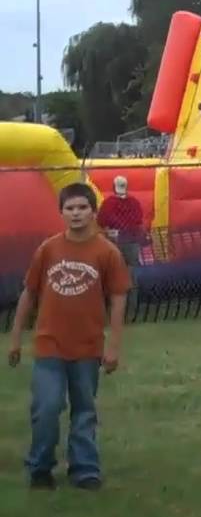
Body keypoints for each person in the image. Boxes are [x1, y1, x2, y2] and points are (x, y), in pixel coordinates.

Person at [7, 182, 131, 491]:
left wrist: (113, 346)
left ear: (93, 211)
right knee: (47, 407)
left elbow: (118, 298)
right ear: (61, 212)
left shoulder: (107, 252)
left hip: (88, 348)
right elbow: (29, 293)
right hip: (50, 345)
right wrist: (15, 338)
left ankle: (85, 469)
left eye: (82, 207)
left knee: (84, 409)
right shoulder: (48, 249)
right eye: (70, 208)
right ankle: (40, 466)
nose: (76, 214)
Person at [97, 175, 144, 266]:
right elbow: (139, 220)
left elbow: (101, 221)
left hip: (115, 240)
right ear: (126, 187)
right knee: (133, 267)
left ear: (114, 187)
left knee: (115, 267)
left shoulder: (109, 203)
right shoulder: (134, 202)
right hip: (132, 240)